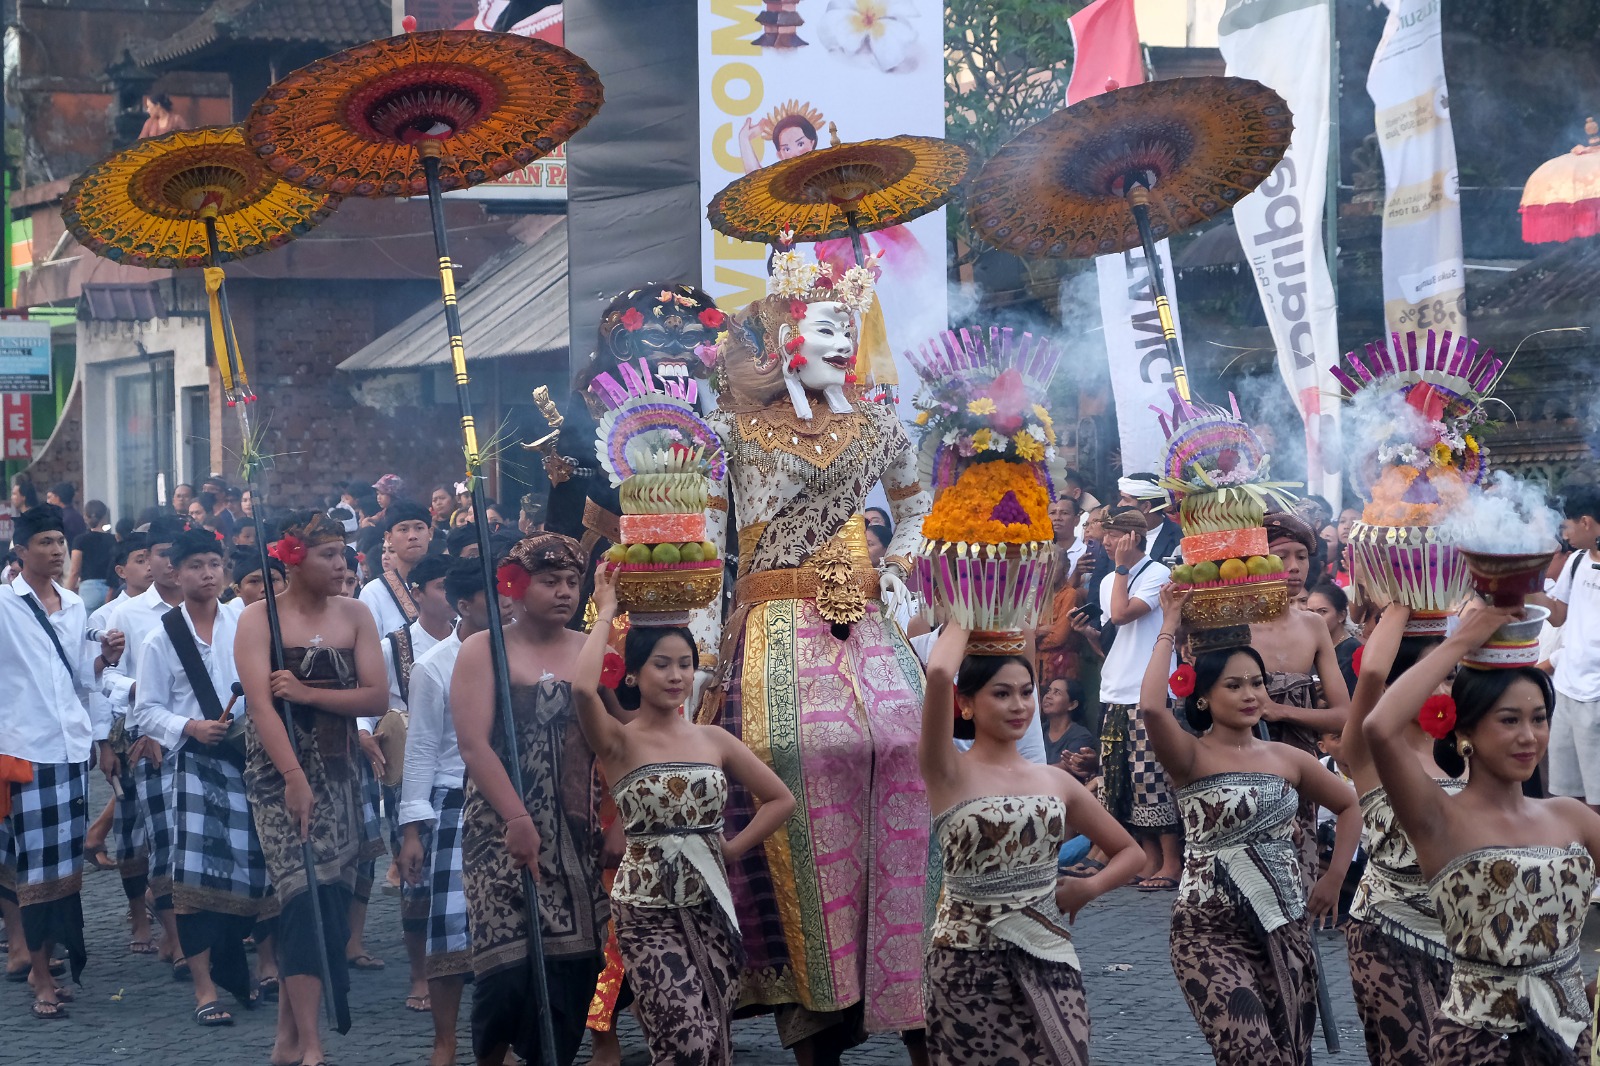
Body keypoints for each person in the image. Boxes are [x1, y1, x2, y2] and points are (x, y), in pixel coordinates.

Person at [697, 263, 934, 1060]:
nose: (845, 342)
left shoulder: (875, 425)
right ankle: (813, 992)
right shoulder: (730, 429)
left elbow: (916, 503)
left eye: (849, 326)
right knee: (790, 761)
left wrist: (899, 567)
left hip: (865, 621)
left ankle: (907, 977)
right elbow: (702, 542)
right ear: (781, 341)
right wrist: (700, 649)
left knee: (912, 752)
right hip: (773, 625)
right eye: (826, 326)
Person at [573, 566, 797, 1064]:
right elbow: (582, 691)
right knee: (684, 1039)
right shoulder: (618, 741)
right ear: (633, 673)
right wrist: (607, 612)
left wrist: (735, 848)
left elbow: (782, 799)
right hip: (645, 911)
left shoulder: (714, 739)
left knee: (715, 1037)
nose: (675, 676)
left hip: (710, 903)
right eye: (661, 664)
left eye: (684, 664)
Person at [1364, 603, 1600, 1063]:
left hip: (1571, 1039)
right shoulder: (1438, 817)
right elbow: (1379, 726)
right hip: (1477, 1046)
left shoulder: (1572, 816)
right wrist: (1462, 641)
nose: (1529, 736)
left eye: (1539, 718)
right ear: (1465, 729)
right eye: (1509, 720)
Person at [1142, 584, 1360, 1065]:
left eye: (1256, 683)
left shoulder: (1290, 759)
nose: (1250, 695)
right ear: (1203, 697)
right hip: (1207, 930)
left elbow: (1350, 807)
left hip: (1284, 926)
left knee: (1289, 1054)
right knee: (1250, 1052)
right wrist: (1168, 625)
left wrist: (1335, 876)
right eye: (1234, 685)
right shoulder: (1190, 757)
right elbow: (1153, 709)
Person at [918, 623, 1141, 1064]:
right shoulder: (947, 771)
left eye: (1026, 691)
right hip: (965, 963)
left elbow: (1131, 853)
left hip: (1050, 958)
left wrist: (1089, 887)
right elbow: (941, 674)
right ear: (965, 703)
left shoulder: (1056, 781)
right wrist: (969, 607)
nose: (1019, 705)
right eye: (1001, 694)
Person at [236, 511, 388, 1065]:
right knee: (300, 898)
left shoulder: (356, 614)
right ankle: (312, 1045)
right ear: (294, 557)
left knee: (329, 899)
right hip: (280, 776)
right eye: (328, 555)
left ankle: (288, 1039)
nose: (341, 564)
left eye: (343, 554)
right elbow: (259, 705)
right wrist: (294, 779)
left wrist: (308, 693)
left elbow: (375, 697)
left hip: (341, 770)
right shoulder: (258, 620)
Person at [454, 533, 609, 1065]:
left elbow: (621, 734)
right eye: (549, 582)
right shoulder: (485, 648)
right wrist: (517, 817)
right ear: (517, 588)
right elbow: (473, 744)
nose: (564, 592)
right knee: (506, 975)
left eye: (572, 582)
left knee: (572, 972)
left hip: (577, 833)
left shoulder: (591, 647)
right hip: (500, 828)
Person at [131, 529, 267, 1027]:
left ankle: (261, 968)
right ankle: (205, 987)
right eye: (195, 565)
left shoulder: (246, 620)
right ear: (176, 572)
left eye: (214, 563)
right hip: (193, 766)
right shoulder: (159, 637)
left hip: (249, 758)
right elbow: (144, 711)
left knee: (254, 867)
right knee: (193, 879)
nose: (206, 573)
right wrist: (188, 725)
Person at [0, 505, 122, 1016]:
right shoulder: (4, 604)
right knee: (36, 867)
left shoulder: (74, 605)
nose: (54, 550)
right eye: (43, 542)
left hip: (69, 749)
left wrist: (104, 660)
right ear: (20, 551)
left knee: (61, 866)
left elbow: (80, 679)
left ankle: (41, 963)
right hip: (24, 747)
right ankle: (40, 974)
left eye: (58, 540)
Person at [1334, 604, 1461, 1064]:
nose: (1443, 689)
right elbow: (1370, 674)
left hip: (1463, 939)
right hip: (1388, 930)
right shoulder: (1370, 753)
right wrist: (1401, 598)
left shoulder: (1468, 756)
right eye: (1430, 677)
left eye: (1449, 678)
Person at [396, 559, 487, 1066]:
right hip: (455, 801)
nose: (506, 607)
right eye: (491, 598)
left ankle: (500, 1040)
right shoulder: (433, 665)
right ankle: (445, 1041)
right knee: (451, 930)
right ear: (463, 605)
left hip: (519, 802)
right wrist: (413, 829)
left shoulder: (518, 652)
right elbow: (423, 749)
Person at [364, 553, 454, 1011]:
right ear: (416, 594)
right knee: (416, 882)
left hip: (457, 768)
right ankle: (420, 976)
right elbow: (370, 699)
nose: (447, 596)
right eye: (439, 587)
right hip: (408, 768)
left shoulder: (475, 644)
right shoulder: (395, 645)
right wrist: (366, 731)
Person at [106, 515, 192, 973]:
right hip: (152, 741)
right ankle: (175, 938)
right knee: (162, 839)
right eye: (161, 553)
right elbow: (108, 676)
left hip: (211, 740)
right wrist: (143, 694)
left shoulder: (223, 608)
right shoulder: (130, 613)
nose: (171, 562)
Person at [1254, 511, 1352, 889]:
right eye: (1281, 556)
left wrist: (1280, 710)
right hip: (1248, 768)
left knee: (1297, 880)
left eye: (1301, 556)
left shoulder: (1312, 625)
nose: (1293, 567)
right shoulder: (1234, 624)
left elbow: (1342, 715)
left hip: (1301, 773)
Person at [1095, 506, 1180, 889]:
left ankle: (1172, 862)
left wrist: (1124, 569)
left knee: (1153, 778)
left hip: (1149, 687)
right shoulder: (1111, 578)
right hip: (1117, 685)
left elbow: (1121, 615)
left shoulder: (1158, 573)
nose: (1105, 541)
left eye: (1113, 535)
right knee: (1124, 778)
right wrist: (1119, 572)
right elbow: (1111, 629)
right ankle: (1147, 858)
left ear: (1133, 538)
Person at [1533, 489, 1600, 829]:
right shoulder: (1576, 562)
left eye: (1567, 528)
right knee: (1562, 793)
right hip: (1567, 691)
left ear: (1586, 522)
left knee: (1597, 797)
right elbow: (1558, 615)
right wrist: (1527, 583)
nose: (1565, 536)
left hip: (1597, 696)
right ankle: (1575, 863)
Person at [359, 500, 433, 636]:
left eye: (419, 528)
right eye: (403, 529)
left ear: (430, 533)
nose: (412, 536)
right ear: (389, 537)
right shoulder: (374, 593)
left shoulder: (446, 583)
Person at [1305, 582, 1361, 698]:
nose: (1315, 618)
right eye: (1310, 612)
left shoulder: (1352, 650)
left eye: (1323, 611)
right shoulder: (1307, 647)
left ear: (1341, 615)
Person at [68, 499, 115, 611]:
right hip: (109, 589)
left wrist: (67, 594)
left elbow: (75, 571)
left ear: (85, 517)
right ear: (104, 517)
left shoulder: (80, 540)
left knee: (87, 626)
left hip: (88, 588)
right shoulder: (113, 540)